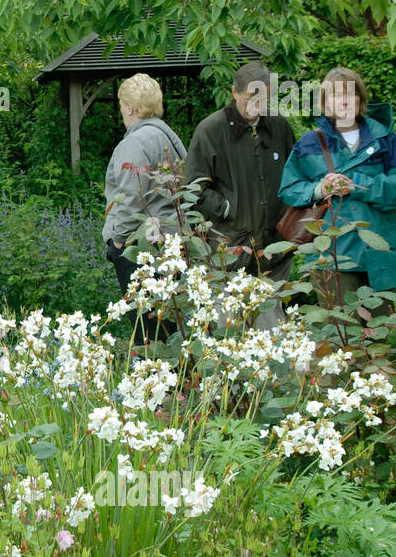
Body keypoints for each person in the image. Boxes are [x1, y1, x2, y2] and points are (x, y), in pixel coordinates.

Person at [277, 67, 396, 311]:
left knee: (380, 336)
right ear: (325, 103)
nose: (343, 101)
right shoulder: (310, 143)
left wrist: (359, 185)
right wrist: (320, 188)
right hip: (333, 253)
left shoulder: (385, 140)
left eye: (349, 94)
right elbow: (289, 189)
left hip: (379, 251)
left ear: (360, 99)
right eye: (335, 96)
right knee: (341, 335)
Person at [184, 59, 297, 286]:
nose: (257, 105)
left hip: (276, 251)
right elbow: (192, 189)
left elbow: (295, 175)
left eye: (263, 100)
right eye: (250, 98)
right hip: (230, 251)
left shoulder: (279, 126)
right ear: (234, 92)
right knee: (235, 321)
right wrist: (228, 209)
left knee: (273, 318)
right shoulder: (211, 130)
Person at [103, 73, 187, 345]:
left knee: (147, 331)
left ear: (128, 107)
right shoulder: (169, 137)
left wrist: (117, 241)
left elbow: (130, 197)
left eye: (121, 103)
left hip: (142, 247)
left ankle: (154, 384)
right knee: (171, 323)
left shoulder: (136, 142)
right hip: (172, 240)